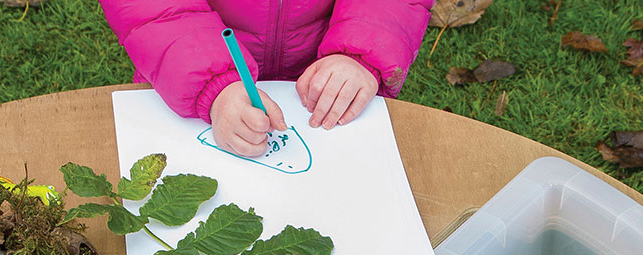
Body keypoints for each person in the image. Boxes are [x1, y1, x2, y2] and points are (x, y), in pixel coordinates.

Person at [98, 1, 433, 157]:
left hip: (323, 72)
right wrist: (213, 83)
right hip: (187, 69)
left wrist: (361, 52)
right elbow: (155, 10)